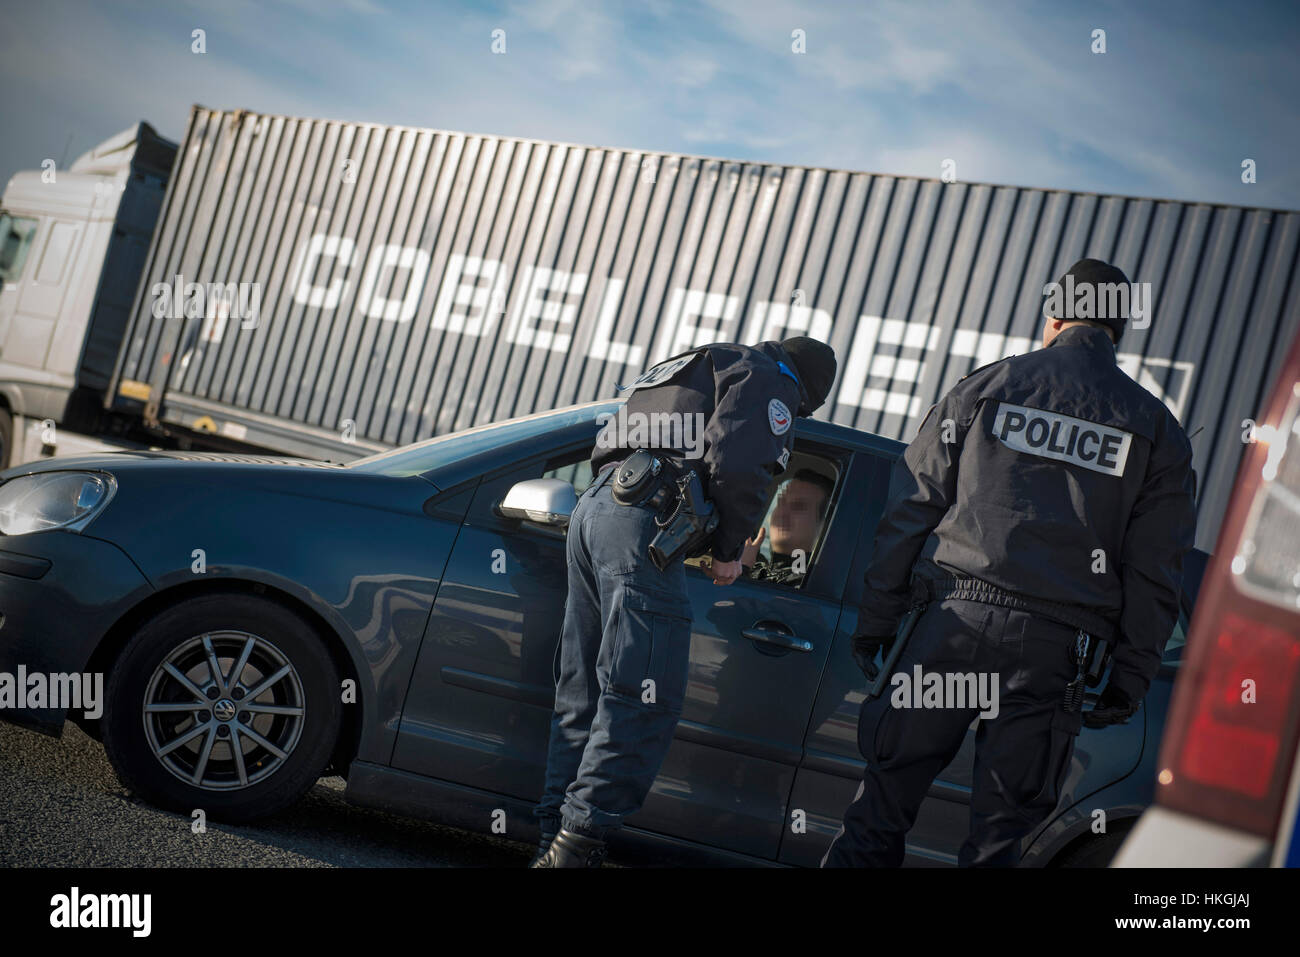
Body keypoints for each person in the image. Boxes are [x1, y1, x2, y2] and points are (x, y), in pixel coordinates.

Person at [822, 258, 1197, 867]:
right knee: (999, 840)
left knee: (882, 806)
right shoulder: (1156, 429)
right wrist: (1128, 678)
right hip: (1052, 657)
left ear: (1053, 318)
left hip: (950, 627)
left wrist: (878, 619)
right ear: (1118, 331)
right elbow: (1156, 569)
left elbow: (911, 509)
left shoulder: (985, 386)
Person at [532, 335, 838, 867]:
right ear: (805, 390)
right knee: (640, 699)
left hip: (598, 508)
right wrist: (726, 550)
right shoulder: (773, 380)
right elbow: (742, 460)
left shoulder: (704, 359)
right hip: (643, 525)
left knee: (583, 695)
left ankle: (550, 841)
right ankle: (574, 852)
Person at [741, 469, 834, 586]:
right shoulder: (757, 566)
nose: (782, 512)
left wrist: (741, 570)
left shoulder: (808, 585)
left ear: (823, 525)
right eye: (781, 502)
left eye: (798, 506)